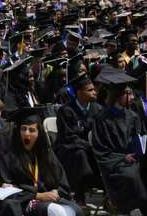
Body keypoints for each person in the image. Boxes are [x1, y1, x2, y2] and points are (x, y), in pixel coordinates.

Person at [88, 70, 147, 216]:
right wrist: (123, 158)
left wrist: (144, 146)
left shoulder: (132, 116)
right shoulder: (101, 119)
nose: (132, 97)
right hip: (116, 164)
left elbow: (141, 136)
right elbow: (100, 150)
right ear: (118, 96)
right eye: (127, 94)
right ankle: (142, 209)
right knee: (131, 175)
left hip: (135, 159)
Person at [1, 106, 82, 216]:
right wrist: (37, 195)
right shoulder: (10, 155)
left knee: (75, 210)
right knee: (57, 212)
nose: (26, 133)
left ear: (39, 133)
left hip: (50, 198)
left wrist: (56, 192)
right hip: (25, 202)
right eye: (23, 129)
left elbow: (62, 182)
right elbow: (9, 187)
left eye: (32, 130)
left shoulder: (46, 153)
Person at [54, 73, 98, 204]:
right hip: (69, 150)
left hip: (92, 148)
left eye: (94, 89)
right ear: (79, 92)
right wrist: (89, 146)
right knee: (80, 155)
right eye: (90, 90)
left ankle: (110, 199)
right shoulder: (66, 110)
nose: (94, 92)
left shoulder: (97, 109)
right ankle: (80, 197)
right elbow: (68, 137)